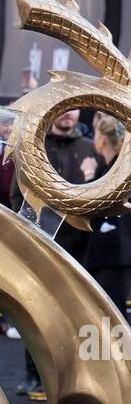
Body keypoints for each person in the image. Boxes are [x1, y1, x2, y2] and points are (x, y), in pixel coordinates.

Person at [17, 107, 98, 399]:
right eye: (64, 111)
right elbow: (20, 192)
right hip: (38, 246)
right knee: (35, 312)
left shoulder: (90, 148)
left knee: (74, 316)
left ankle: (74, 379)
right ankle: (33, 375)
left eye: (74, 111)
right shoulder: (35, 145)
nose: (68, 116)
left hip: (79, 250)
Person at [84, 115, 131, 322]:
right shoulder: (114, 169)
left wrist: (87, 177)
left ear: (102, 140)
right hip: (113, 255)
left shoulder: (113, 173)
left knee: (112, 317)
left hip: (112, 256)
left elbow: (95, 203)